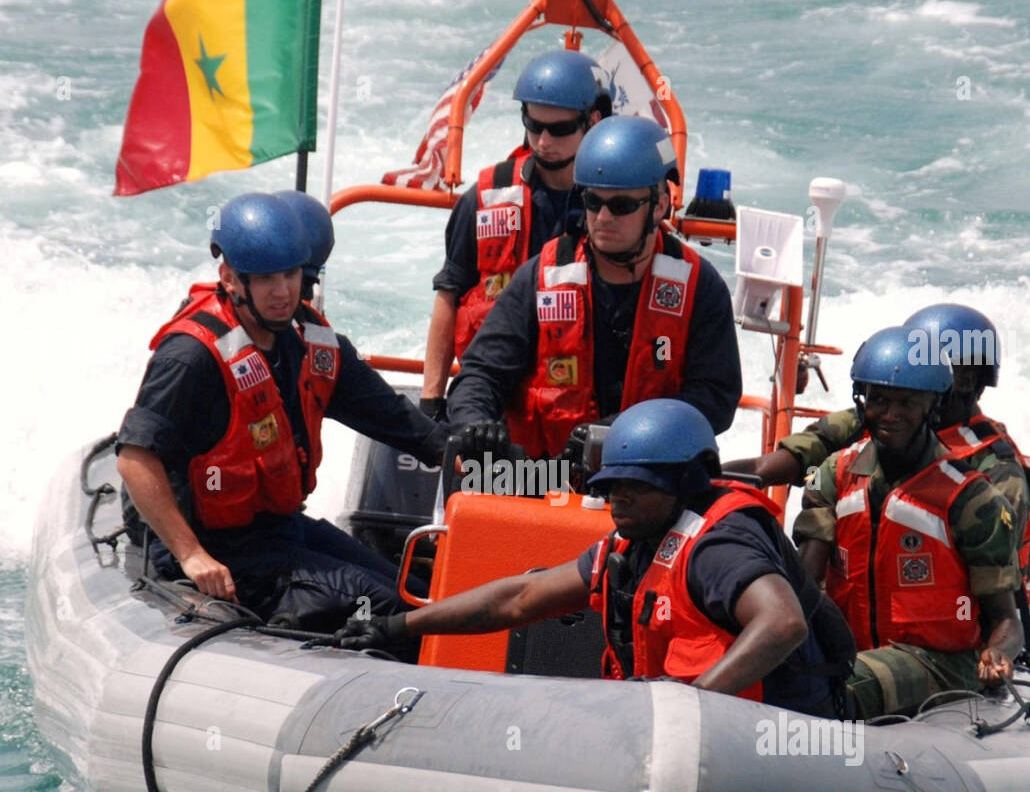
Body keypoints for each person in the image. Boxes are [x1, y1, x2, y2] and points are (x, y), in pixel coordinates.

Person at [338, 400, 854, 716]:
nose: (618, 500)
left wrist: (693, 707)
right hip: (680, 729)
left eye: (636, 487)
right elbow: (519, 598)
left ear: (685, 483)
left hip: (756, 736)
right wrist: (398, 626)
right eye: (611, 487)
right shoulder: (632, 541)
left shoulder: (717, 546)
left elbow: (782, 622)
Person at [117, 192, 448, 628]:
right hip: (218, 554)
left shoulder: (309, 343)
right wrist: (192, 555)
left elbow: (405, 426)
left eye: (292, 275)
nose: (284, 291)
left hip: (279, 533)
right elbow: (135, 459)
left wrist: (509, 467)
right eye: (267, 278)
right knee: (396, 611)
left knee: (418, 594)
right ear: (231, 278)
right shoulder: (192, 357)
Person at [444, 115, 742, 469]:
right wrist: (476, 422)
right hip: (546, 475)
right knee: (473, 487)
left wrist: (621, 433)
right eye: (592, 201)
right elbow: (480, 373)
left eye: (621, 206)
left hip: (649, 481)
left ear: (659, 205)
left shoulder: (699, 287)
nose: (602, 217)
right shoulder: (544, 274)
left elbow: (715, 398)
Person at [792, 326, 1022, 719]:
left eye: (907, 403)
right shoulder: (836, 473)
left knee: (835, 687)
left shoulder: (971, 499)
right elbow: (805, 579)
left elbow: (1005, 619)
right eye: (878, 400)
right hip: (851, 648)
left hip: (940, 664)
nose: (890, 415)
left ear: (932, 406)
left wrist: (997, 653)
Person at [726, 305, 1029, 557]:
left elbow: (994, 568)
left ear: (966, 380)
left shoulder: (997, 469)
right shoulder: (874, 420)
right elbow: (787, 462)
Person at [420, 49, 611, 419]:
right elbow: (450, 295)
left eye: (559, 129)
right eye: (534, 125)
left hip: (582, 412)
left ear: (594, 121)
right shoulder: (484, 199)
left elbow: (657, 342)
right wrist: (431, 401)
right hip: (492, 405)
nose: (543, 141)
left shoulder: (617, 211)